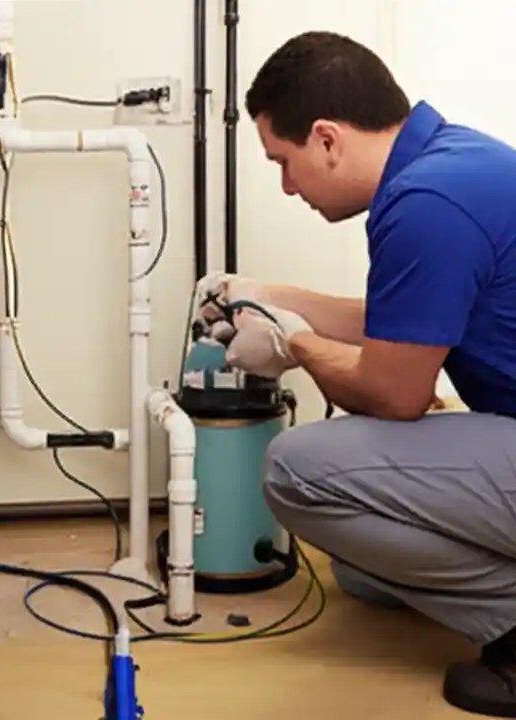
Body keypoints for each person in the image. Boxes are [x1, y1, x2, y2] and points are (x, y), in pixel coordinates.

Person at [198, 31, 516, 717]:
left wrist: (295, 345)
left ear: (327, 139)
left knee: (296, 469)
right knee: (364, 569)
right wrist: (267, 294)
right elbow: (409, 315)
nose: (287, 186)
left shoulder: (426, 203)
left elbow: (397, 395)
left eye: (284, 162)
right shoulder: (452, 162)